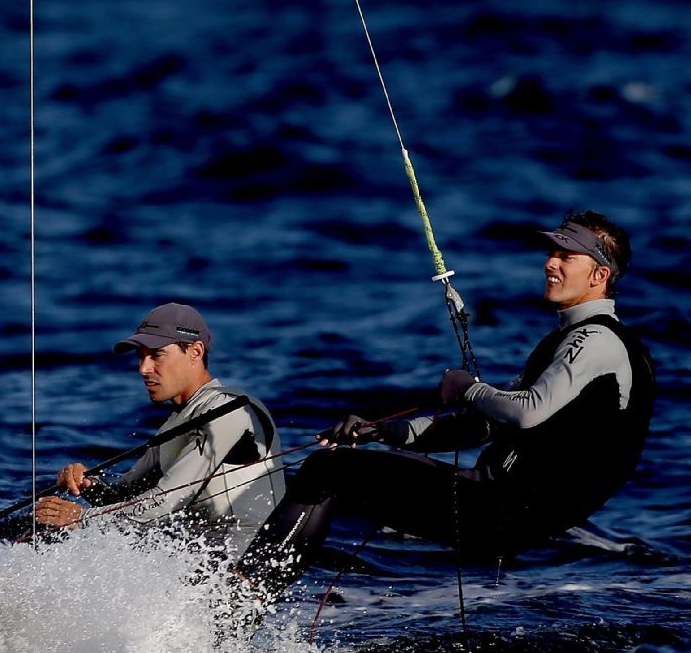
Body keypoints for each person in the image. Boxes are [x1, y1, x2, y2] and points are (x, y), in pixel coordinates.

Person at [233, 210, 655, 600]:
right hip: (511, 511)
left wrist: (467, 387)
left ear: (600, 274)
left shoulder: (597, 340)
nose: (550, 263)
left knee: (329, 471)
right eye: (551, 252)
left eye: (567, 256)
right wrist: (383, 432)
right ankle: (251, 593)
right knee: (341, 469)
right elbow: (481, 426)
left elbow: (525, 411)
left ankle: (243, 597)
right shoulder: (569, 343)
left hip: (504, 509)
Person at [34, 302, 285, 555]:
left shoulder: (228, 408)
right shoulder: (175, 423)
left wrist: (81, 518)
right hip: (195, 565)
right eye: (140, 357)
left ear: (195, 352)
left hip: (244, 568)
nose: (143, 368)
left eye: (157, 354)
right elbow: (122, 498)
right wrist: (87, 483)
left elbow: (169, 498)